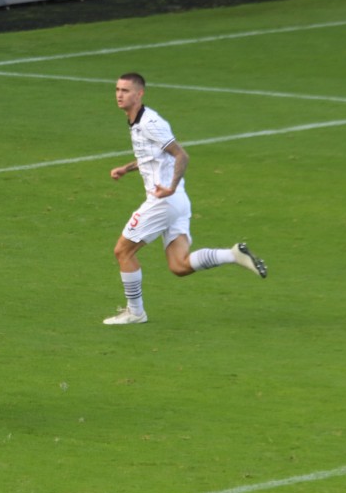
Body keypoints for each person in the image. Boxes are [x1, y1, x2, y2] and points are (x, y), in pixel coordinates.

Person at [106, 72, 265, 325]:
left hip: (164, 200)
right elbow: (151, 156)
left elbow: (182, 155)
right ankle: (233, 255)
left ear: (139, 94)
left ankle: (135, 312)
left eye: (125, 91)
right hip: (178, 202)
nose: (119, 95)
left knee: (122, 251)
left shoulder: (150, 122)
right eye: (117, 89)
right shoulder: (137, 122)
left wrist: (169, 187)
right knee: (179, 266)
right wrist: (127, 168)